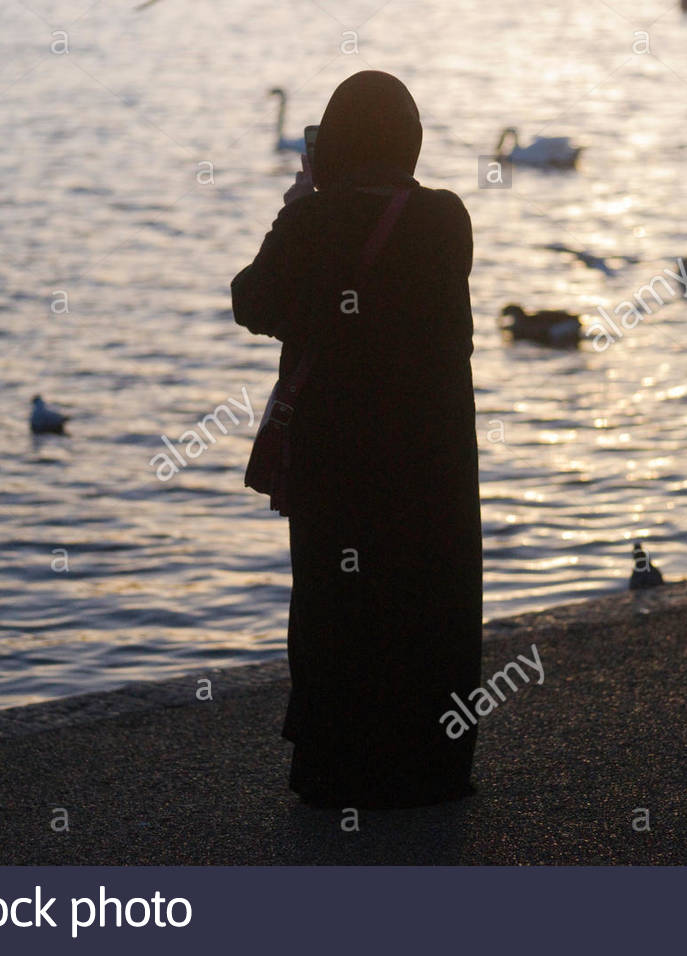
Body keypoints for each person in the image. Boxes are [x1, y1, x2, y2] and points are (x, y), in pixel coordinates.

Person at [231, 71, 482, 809]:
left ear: (333, 143)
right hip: (430, 458)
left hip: (338, 458)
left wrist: (296, 210)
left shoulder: (312, 222)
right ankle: (431, 767)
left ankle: (340, 767)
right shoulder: (446, 219)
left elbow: (253, 301)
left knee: (337, 601)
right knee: (428, 595)